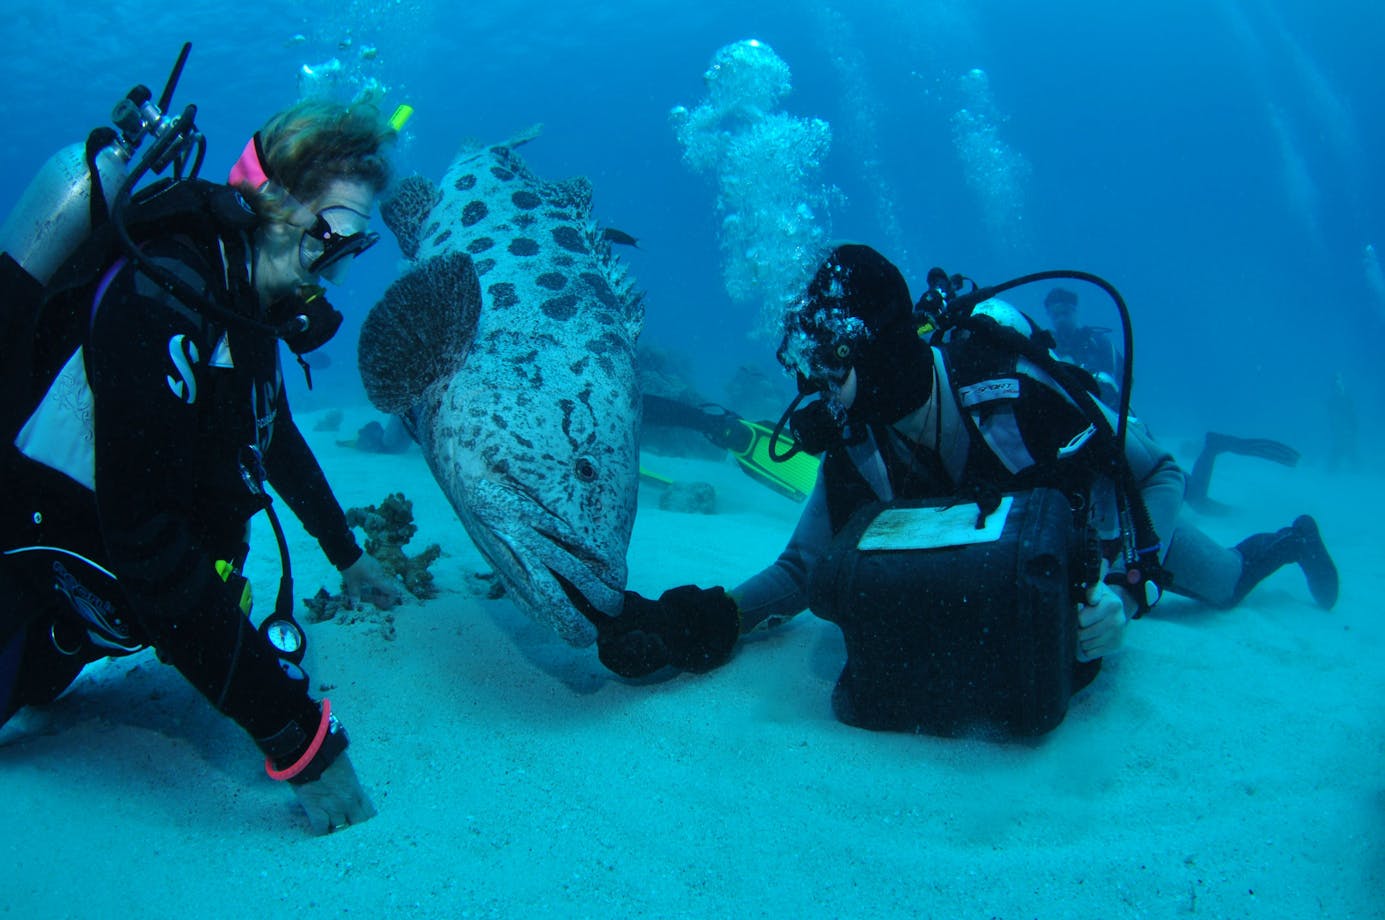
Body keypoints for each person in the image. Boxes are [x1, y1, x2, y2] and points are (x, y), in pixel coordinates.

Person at [592, 245, 1339, 737]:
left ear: (881, 350)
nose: (819, 392)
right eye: (809, 366)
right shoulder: (859, 443)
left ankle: (1288, 539)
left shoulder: (1010, 391)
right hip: (1014, 563)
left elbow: (1157, 473)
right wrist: (712, 617)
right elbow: (799, 570)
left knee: (1222, 582)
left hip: (1106, 524)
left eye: (832, 364)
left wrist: (1126, 585)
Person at [0, 98, 404, 834]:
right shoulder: (161, 301)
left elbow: (270, 430)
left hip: (93, 604)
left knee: (50, 678)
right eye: (338, 232)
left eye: (357, 244)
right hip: (33, 563)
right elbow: (147, 544)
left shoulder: (237, 304)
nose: (338, 272)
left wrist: (347, 555)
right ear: (273, 202)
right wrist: (297, 738)